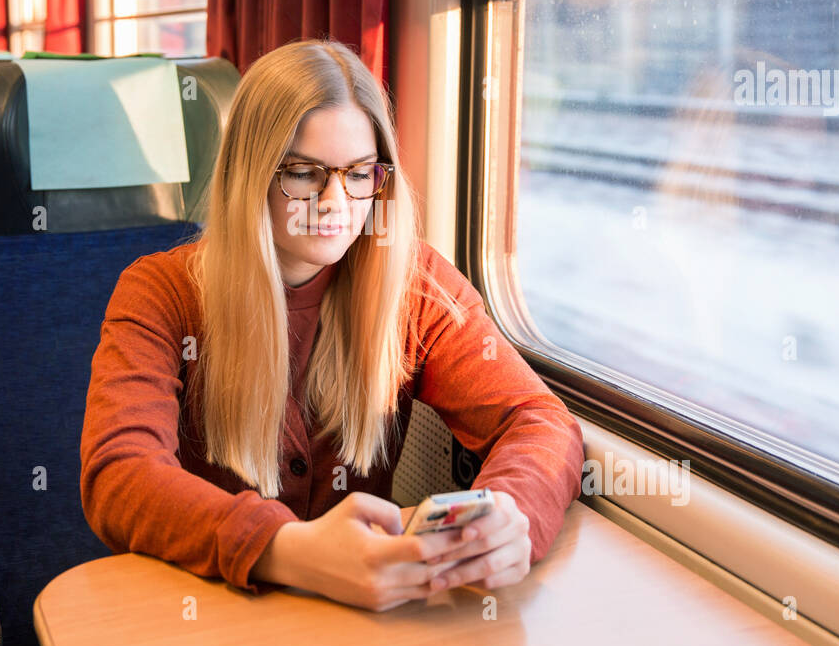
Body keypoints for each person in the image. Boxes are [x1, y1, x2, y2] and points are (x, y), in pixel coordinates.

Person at [80, 38, 585, 612]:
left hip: (354, 624)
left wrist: (508, 513)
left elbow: (539, 421)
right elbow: (120, 476)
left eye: (359, 173)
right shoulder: (160, 292)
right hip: (201, 613)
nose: (336, 202)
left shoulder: (412, 282)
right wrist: (287, 549)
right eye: (304, 173)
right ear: (251, 173)